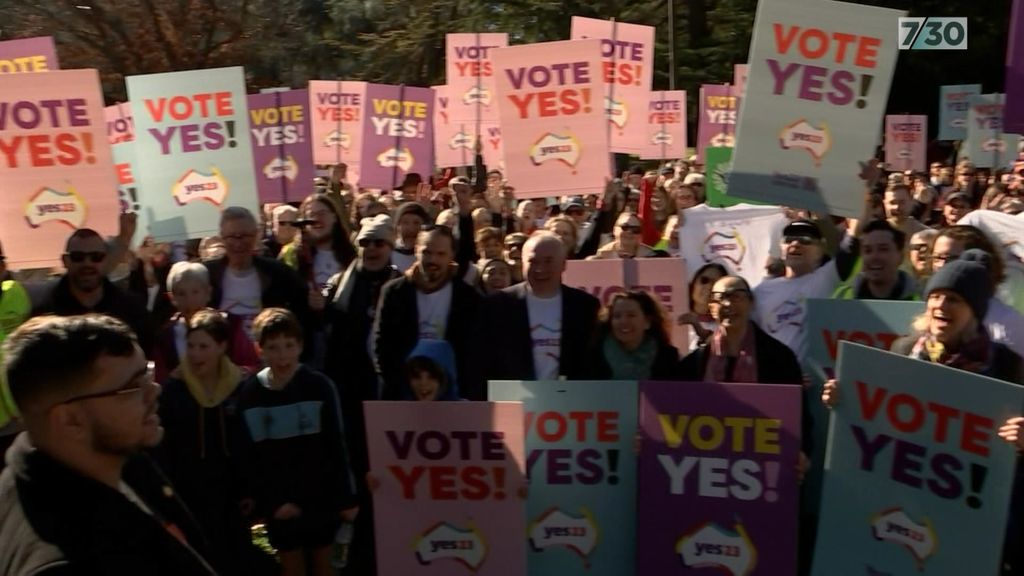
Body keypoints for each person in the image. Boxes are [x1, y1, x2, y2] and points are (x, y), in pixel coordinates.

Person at [822, 254, 1023, 574]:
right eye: (936, 296)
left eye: (954, 299)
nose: (941, 306)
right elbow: (875, 416)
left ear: (975, 311)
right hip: (909, 497)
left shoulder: (1007, 366)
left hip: (972, 507)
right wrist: (844, 399)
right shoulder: (904, 350)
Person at [0, 315, 216, 573]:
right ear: (70, 420)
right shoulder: (60, 562)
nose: (154, 390)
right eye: (133, 386)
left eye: (146, 373)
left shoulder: (115, 454)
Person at [237, 308, 359, 576]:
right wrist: (271, 504)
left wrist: (345, 498)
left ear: (301, 346)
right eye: (273, 347)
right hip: (279, 505)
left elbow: (336, 445)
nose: (282, 356)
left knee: (325, 566)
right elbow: (251, 458)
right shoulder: (250, 394)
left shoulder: (320, 386)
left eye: (289, 346)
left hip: (320, 500)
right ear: (260, 350)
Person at [155, 310, 253, 575]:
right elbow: (163, 447)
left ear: (221, 347)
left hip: (229, 494)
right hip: (188, 492)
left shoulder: (239, 387)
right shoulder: (174, 390)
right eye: (191, 346)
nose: (196, 354)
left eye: (204, 346)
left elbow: (246, 443)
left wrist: (247, 487)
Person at [471, 232, 600, 388]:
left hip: (570, 404)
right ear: (523, 263)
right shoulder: (497, 305)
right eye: (533, 261)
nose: (540, 269)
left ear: (564, 264)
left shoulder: (585, 306)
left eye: (548, 261)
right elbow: (479, 360)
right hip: (512, 403)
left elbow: (594, 363)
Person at [373, 225, 481, 400]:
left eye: (441, 254)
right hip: (403, 395)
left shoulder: (468, 297)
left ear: (452, 255)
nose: (433, 260)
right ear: (416, 251)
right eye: (427, 252)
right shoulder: (394, 292)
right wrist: (400, 386)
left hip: (454, 396)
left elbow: (474, 352)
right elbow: (381, 346)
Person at [32, 228, 152, 355]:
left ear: (105, 260)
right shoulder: (44, 315)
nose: (87, 263)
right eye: (78, 257)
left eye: (96, 257)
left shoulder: (132, 309)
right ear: (65, 261)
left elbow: (147, 358)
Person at [204, 207, 310, 346]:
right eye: (232, 237)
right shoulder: (207, 274)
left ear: (255, 236)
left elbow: (301, 316)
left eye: (244, 236)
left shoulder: (279, 273)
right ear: (222, 237)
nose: (238, 243)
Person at [153, 261, 259, 383]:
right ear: (172, 298)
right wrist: (174, 378)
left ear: (208, 293)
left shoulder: (230, 326)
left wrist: (231, 373)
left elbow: (252, 366)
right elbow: (161, 381)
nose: (190, 300)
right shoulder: (166, 337)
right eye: (181, 294)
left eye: (195, 292)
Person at [930, 226, 1024, 357]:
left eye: (951, 259)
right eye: (937, 258)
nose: (941, 266)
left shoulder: (1008, 323)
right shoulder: (930, 313)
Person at [586, 290, 679, 379]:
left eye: (631, 315)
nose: (623, 321)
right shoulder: (593, 357)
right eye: (617, 316)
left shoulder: (667, 357)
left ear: (647, 321)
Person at [833, 219, 919, 300]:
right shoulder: (841, 297)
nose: (874, 257)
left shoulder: (921, 302)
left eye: (883, 249)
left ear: (900, 256)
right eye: (868, 250)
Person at [678, 263, 729, 352]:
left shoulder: (727, 328)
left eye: (716, 284)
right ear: (693, 284)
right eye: (704, 280)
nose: (709, 287)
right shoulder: (675, 319)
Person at [590, 211, 657, 259]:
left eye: (635, 229)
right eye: (625, 227)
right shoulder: (601, 257)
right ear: (614, 230)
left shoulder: (653, 257)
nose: (629, 232)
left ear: (640, 235)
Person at [392, 202, 430, 273]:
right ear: (398, 226)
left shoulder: (431, 255)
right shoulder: (389, 254)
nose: (411, 229)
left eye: (416, 223)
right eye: (405, 222)